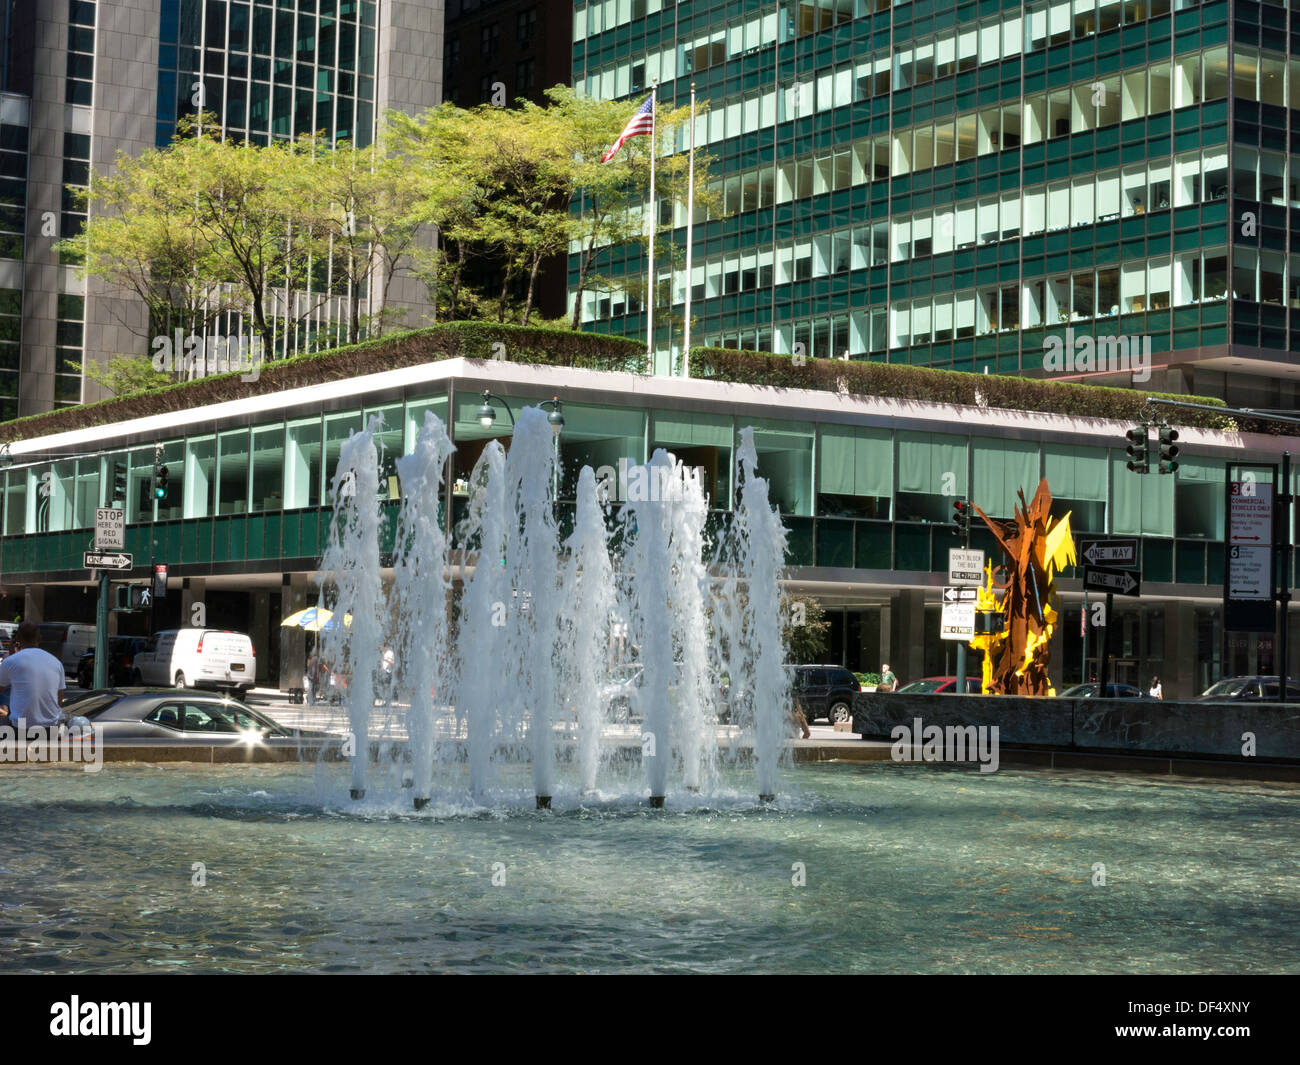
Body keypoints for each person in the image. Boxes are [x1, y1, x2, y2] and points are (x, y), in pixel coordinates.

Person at [0, 621, 65, 732]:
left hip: (20, 728)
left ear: (18, 640)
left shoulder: (10, 661)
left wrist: (11, 653)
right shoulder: (56, 662)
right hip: (50, 729)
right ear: (39, 639)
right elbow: (59, 700)